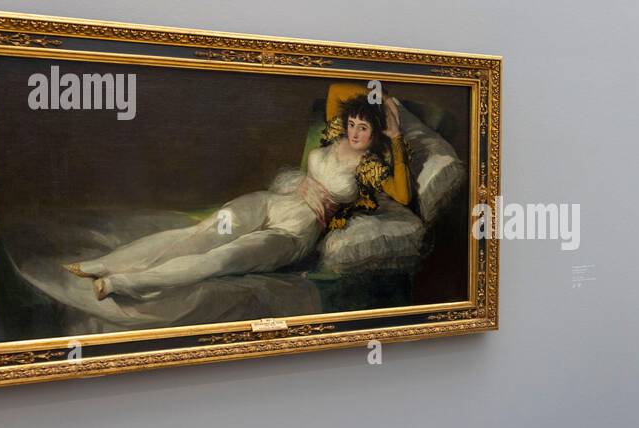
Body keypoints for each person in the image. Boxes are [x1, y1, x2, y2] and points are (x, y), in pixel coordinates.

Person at [63, 85, 412, 300]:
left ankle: (122, 284)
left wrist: (394, 133)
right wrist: (373, 100)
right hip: (272, 203)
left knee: (221, 259)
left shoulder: (373, 166)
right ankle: (103, 265)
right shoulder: (329, 139)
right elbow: (337, 89)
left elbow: (404, 195)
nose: (354, 132)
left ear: (375, 132)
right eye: (352, 123)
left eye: (363, 128)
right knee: (199, 234)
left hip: (293, 232)